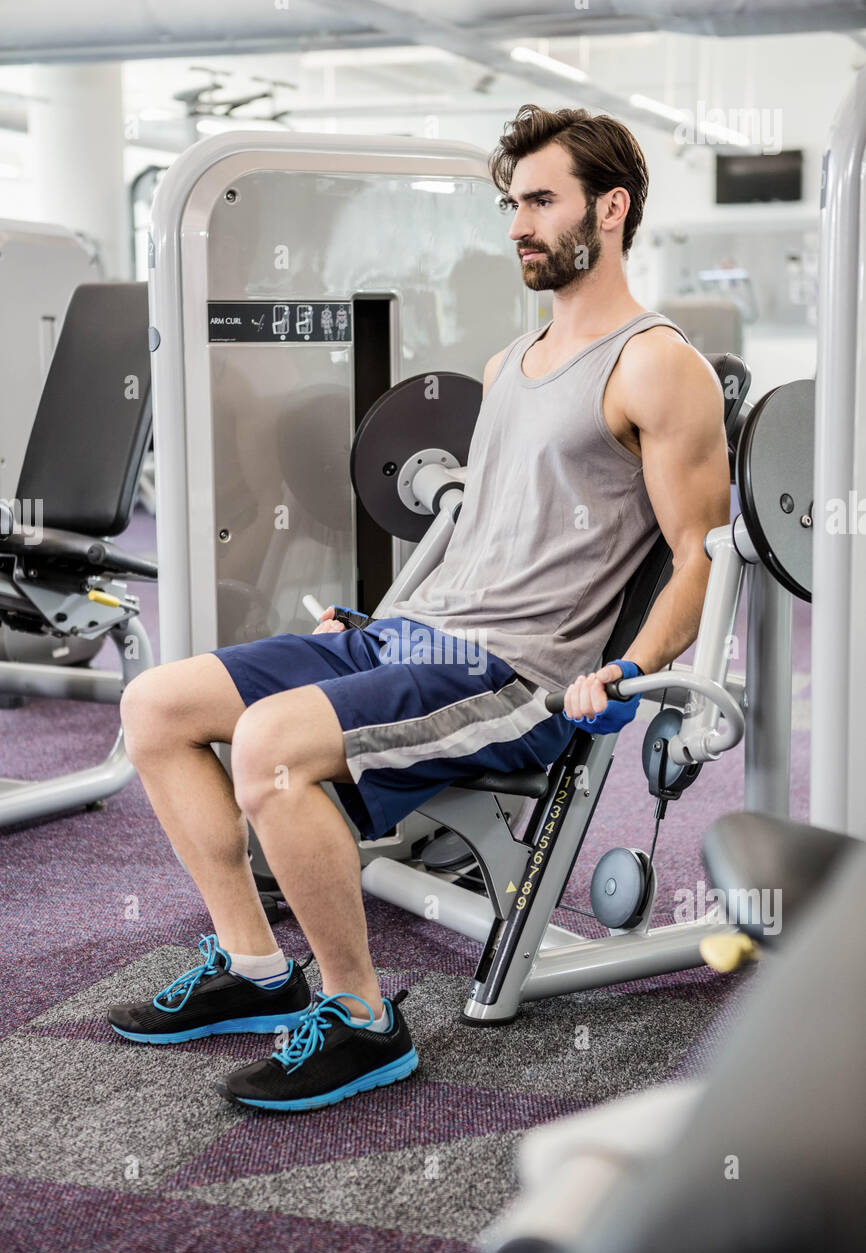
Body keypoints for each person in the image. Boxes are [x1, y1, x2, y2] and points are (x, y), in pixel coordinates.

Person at [110, 104, 730, 1113]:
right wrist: (365, 629)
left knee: (268, 746)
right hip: (411, 635)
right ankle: (256, 967)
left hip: (512, 672)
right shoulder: (506, 363)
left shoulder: (656, 364)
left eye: (540, 200)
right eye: (509, 203)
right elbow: (484, 536)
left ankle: (361, 1021)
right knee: (156, 705)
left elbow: (695, 554)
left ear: (610, 208)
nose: (518, 224)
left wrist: (629, 670)